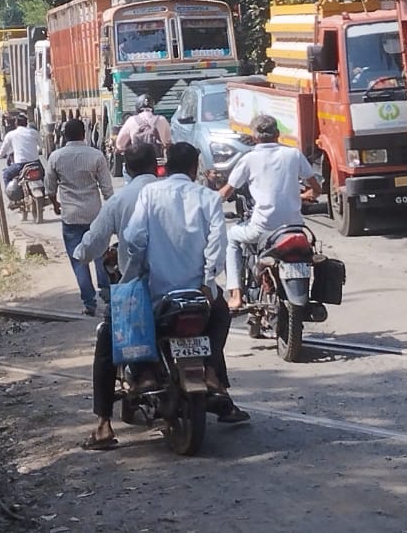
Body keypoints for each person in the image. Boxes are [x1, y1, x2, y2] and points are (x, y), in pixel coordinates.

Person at [120, 142, 249, 424]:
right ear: (194, 168)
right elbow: (217, 243)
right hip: (199, 294)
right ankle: (212, 370)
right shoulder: (208, 197)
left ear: (166, 166)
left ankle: (145, 374)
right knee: (221, 316)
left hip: (158, 293)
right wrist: (206, 281)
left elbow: (133, 237)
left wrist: (139, 265)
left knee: (133, 322)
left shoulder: (150, 193)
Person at [72, 143, 162, 449]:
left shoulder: (121, 199)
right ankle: (219, 388)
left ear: (127, 169)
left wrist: (80, 253)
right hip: (180, 286)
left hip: (137, 290)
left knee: (106, 343)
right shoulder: (174, 193)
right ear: (156, 166)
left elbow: (94, 241)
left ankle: (103, 425)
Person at [218, 114, 321, 311]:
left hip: (263, 228)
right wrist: (302, 196)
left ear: (254, 137)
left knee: (231, 237)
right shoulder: (293, 155)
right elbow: (316, 189)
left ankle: (236, 295)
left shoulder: (249, 159)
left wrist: (208, 200)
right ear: (278, 134)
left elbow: (227, 191)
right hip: (295, 228)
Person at [45, 118, 115, 316]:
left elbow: (50, 188)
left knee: (78, 260)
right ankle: (107, 295)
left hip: (71, 217)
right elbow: (107, 190)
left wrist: (56, 205)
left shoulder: (56, 157)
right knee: (101, 255)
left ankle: (89, 303)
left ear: (65, 136)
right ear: (84, 134)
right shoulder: (96, 156)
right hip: (95, 215)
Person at [0, 113, 41, 187]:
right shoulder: (34, 133)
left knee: (6, 174)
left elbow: (2, 151)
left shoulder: (11, 134)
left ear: (16, 123)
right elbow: (42, 146)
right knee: (44, 175)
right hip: (36, 163)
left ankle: (11, 196)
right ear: (26, 123)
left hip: (20, 165)